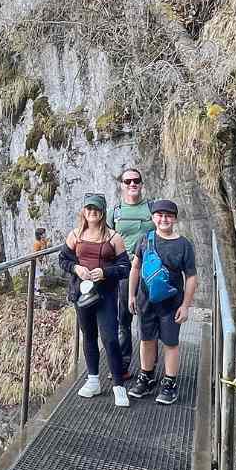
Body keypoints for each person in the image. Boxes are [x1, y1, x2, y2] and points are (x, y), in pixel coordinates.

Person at [127, 199, 198, 406]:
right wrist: (131, 295)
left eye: (168, 215)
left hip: (171, 303)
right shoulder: (144, 240)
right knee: (146, 339)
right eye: (159, 215)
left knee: (170, 343)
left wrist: (185, 306)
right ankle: (146, 377)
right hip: (146, 300)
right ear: (153, 218)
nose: (164, 219)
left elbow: (191, 277)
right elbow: (135, 268)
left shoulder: (184, 245)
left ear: (174, 218)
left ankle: (170, 383)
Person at [65, 193, 131, 407]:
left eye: (97, 209)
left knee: (110, 338)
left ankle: (119, 386)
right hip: (83, 294)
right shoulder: (75, 234)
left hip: (106, 295)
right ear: (83, 211)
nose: (92, 212)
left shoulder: (114, 238)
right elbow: (63, 259)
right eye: (89, 208)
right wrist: (76, 268)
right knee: (89, 336)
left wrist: (105, 272)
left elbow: (125, 268)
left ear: (103, 212)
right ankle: (93, 380)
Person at [108, 165, 155, 362]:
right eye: (128, 181)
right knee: (123, 318)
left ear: (142, 184)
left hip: (149, 268)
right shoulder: (115, 212)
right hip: (124, 268)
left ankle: (150, 365)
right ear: (121, 185)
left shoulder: (153, 207)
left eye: (136, 180)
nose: (132, 184)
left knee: (149, 318)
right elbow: (106, 240)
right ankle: (124, 361)